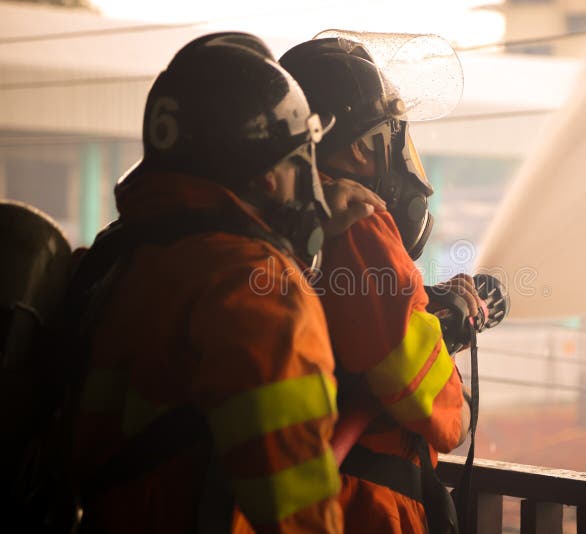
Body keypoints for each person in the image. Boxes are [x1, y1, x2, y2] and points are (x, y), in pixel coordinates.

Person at [70, 32, 384, 534]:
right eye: (302, 160)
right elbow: (296, 510)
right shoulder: (260, 291)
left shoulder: (121, 255)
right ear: (265, 178)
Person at [281, 37, 479, 534]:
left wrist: (426, 308)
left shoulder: (292, 216)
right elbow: (431, 407)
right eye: (393, 137)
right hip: (364, 505)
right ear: (364, 145)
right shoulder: (357, 220)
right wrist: (449, 334)